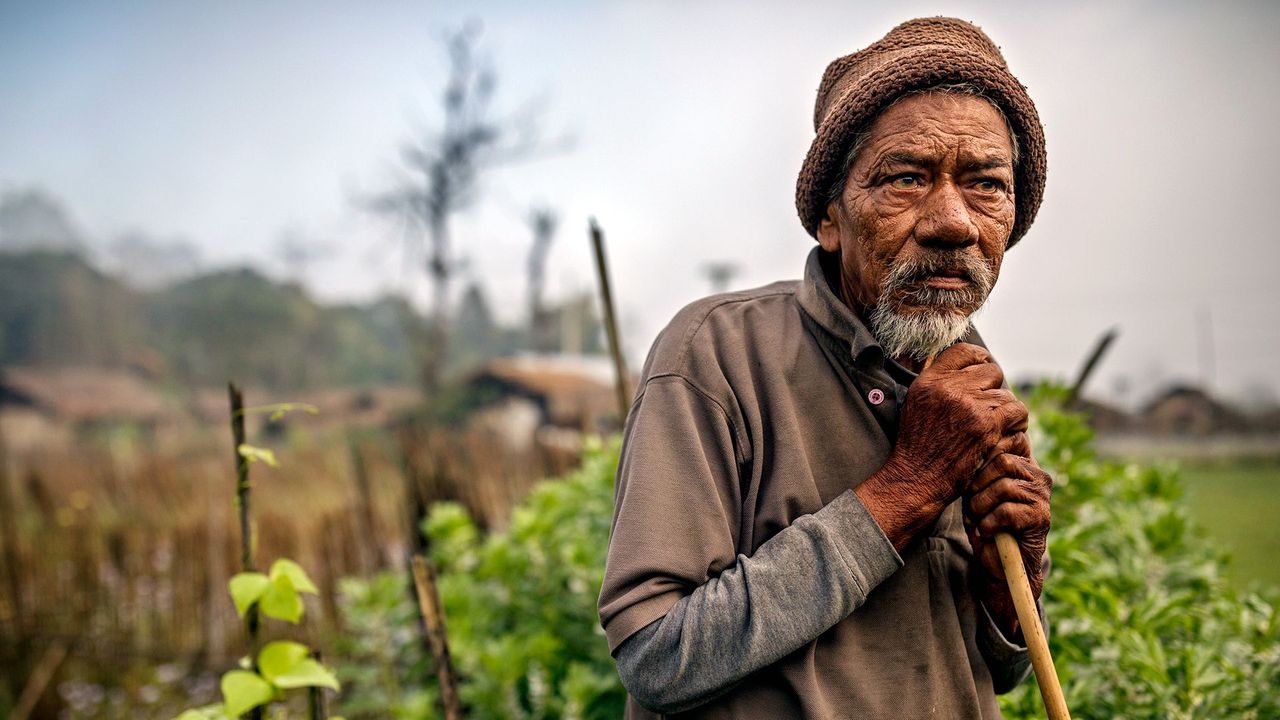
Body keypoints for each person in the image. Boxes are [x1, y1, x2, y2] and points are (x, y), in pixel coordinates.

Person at [597, 17, 1054, 719]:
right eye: (907, 178)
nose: (954, 222)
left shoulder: (976, 390)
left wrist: (1006, 589)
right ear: (829, 219)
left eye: (986, 184)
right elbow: (656, 654)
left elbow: (1001, 672)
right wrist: (909, 488)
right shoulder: (716, 354)